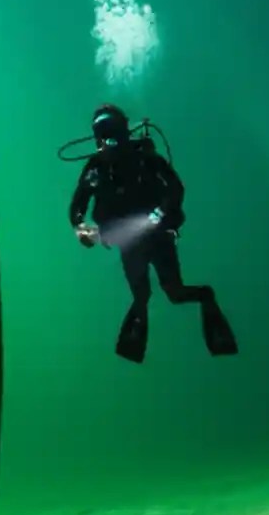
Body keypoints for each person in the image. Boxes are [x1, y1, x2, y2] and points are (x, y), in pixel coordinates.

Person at [67, 104, 238, 363]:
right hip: (128, 241)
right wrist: (80, 227)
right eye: (101, 135)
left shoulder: (145, 159)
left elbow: (175, 188)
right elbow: (78, 204)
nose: (107, 141)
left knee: (174, 292)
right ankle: (137, 331)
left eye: (112, 133)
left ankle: (205, 298)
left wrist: (159, 214)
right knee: (141, 295)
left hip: (157, 236)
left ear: (124, 133)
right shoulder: (95, 168)